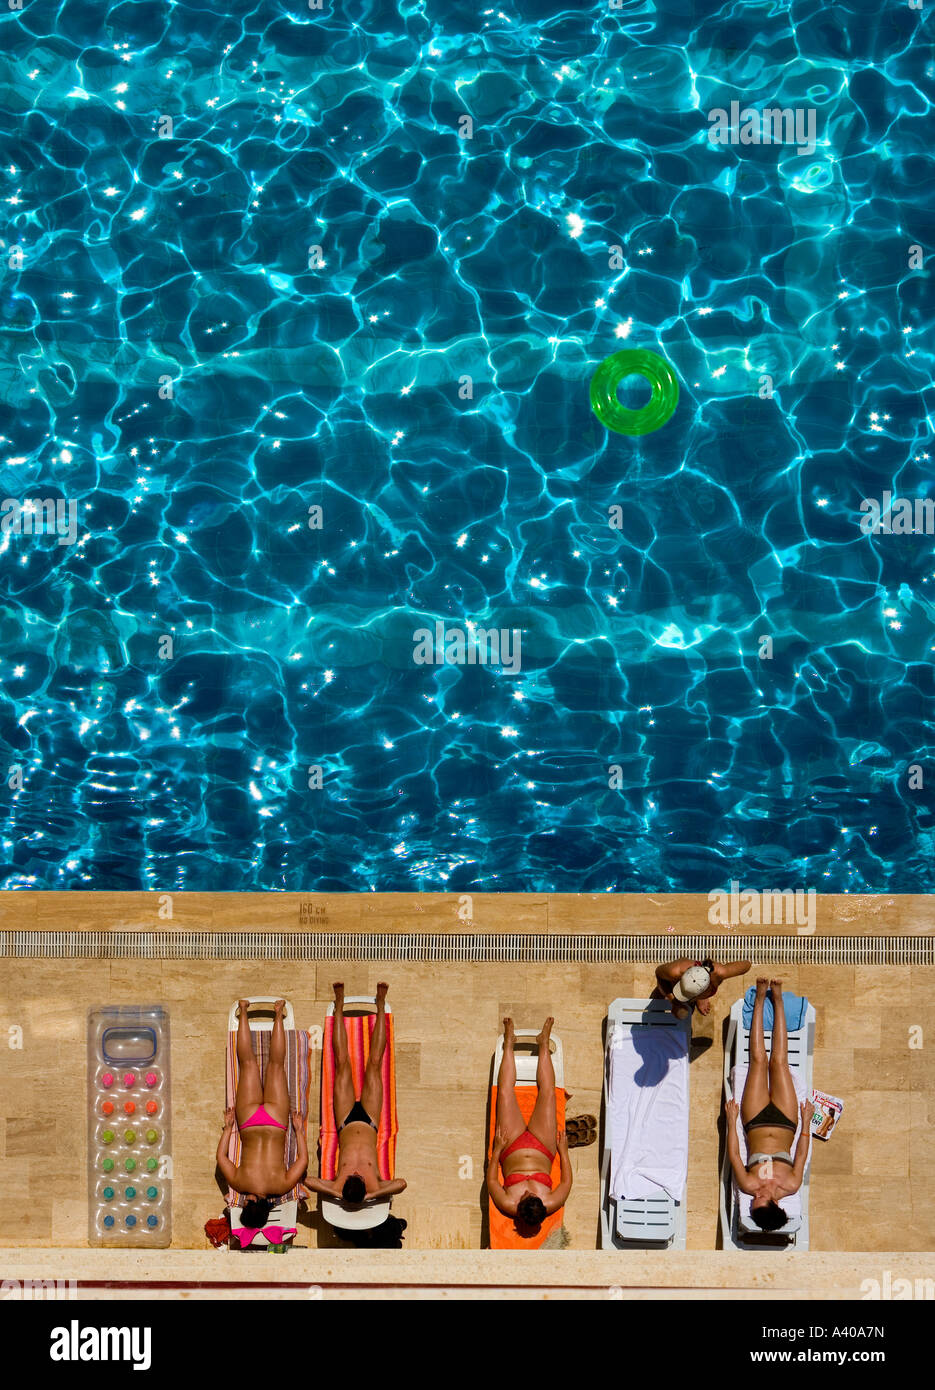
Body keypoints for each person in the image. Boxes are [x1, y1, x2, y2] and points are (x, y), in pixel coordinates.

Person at [302, 982, 407, 1209]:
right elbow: (401, 1184)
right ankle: (380, 1007)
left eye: (354, 1176)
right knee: (375, 1064)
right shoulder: (375, 1186)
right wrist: (370, 1196)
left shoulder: (339, 1184)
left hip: (345, 1120)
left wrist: (335, 1191)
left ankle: (339, 1006)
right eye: (359, 1177)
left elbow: (309, 1181)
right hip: (370, 1120)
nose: (358, 1172)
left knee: (342, 1064)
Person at [726, 978, 814, 1232]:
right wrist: (806, 1121)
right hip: (787, 1120)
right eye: (758, 1203)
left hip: (754, 1121)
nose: (754, 1199)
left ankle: (761, 998)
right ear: (774, 1204)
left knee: (758, 1061)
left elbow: (734, 1154)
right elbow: (800, 1154)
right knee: (779, 1062)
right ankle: (777, 999)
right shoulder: (791, 1185)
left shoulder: (749, 1185)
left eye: (751, 1204)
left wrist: (732, 1122)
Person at [217, 999, 308, 1227]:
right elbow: (221, 1158)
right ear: (247, 1206)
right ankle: (244, 1011)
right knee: (247, 1063)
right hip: (248, 1122)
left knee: (276, 1064)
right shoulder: (240, 1183)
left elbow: (303, 1160)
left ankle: (278, 1013)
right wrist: (228, 1128)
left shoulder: (281, 1187)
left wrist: (298, 1130)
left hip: (276, 1122)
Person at [487, 1016, 572, 1232]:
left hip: (510, 1146)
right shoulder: (551, 1203)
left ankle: (509, 1043)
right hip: (543, 1147)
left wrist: (496, 1150)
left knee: (505, 1093)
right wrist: (563, 1151)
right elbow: (566, 1183)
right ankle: (543, 1042)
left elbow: (492, 1183)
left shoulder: (508, 1204)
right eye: (533, 1195)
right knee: (548, 1094)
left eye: (526, 1196)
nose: (528, 1191)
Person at [653, 955, 752, 1018]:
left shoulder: (717, 974)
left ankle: (701, 999)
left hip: (707, 986)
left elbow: (747, 965)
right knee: (662, 991)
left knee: (714, 981)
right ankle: (686, 993)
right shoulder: (675, 971)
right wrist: (673, 1000)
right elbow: (658, 973)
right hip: (675, 981)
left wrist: (724, 970)